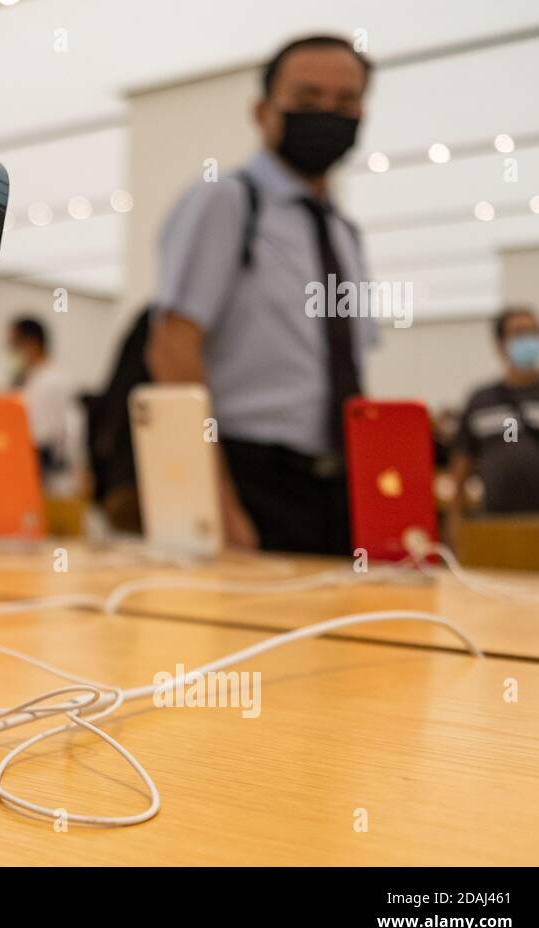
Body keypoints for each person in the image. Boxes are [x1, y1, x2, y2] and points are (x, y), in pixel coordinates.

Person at [147, 34, 375, 555]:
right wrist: (216, 506)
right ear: (262, 110)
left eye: (345, 102)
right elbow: (172, 352)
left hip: (338, 490)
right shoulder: (226, 202)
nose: (327, 114)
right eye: (308, 99)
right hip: (253, 481)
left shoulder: (344, 232)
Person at [449, 308, 539, 535]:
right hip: (496, 525)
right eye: (520, 334)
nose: (529, 340)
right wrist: (454, 521)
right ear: (500, 344)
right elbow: (462, 463)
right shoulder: (481, 400)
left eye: (535, 333)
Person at [7, 315, 83, 494]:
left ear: (31, 344)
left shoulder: (49, 381)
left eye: (14, 346)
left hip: (50, 478)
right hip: (40, 469)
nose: (11, 353)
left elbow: (39, 437)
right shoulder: (32, 378)